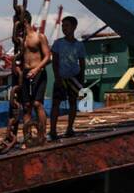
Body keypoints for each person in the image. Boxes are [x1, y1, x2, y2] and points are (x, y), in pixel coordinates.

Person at [11, 8, 51, 146]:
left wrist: (36, 69)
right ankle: (28, 138)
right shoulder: (19, 41)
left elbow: (47, 56)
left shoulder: (39, 37)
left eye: (16, 22)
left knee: (37, 104)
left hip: (38, 72)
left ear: (25, 21)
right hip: (25, 74)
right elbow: (16, 59)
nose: (15, 26)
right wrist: (17, 69)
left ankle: (42, 135)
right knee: (26, 106)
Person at [48, 16, 87, 141]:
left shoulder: (79, 45)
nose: (64, 28)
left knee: (72, 102)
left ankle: (69, 128)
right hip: (61, 77)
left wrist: (81, 79)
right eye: (63, 26)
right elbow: (55, 62)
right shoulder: (58, 44)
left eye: (67, 26)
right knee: (56, 104)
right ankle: (53, 131)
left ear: (74, 27)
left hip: (74, 77)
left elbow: (82, 63)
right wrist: (57, 77)